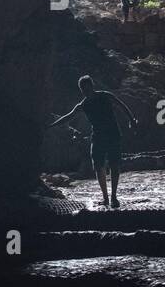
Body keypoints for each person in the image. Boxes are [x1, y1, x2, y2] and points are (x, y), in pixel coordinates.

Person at [48, 75, 138, 209]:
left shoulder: (105, 95)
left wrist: (131, 120)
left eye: (87, 88)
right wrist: (51, 125)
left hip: (113, 134)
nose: (85, 91)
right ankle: (106, 198)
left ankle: (113, 197)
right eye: (83, 90)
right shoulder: (84, 104)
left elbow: (122, 106)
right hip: (98, 136)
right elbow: (68, 116)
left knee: (114, 164)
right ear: (81, 90)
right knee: (98, 165)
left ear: (92, 86)